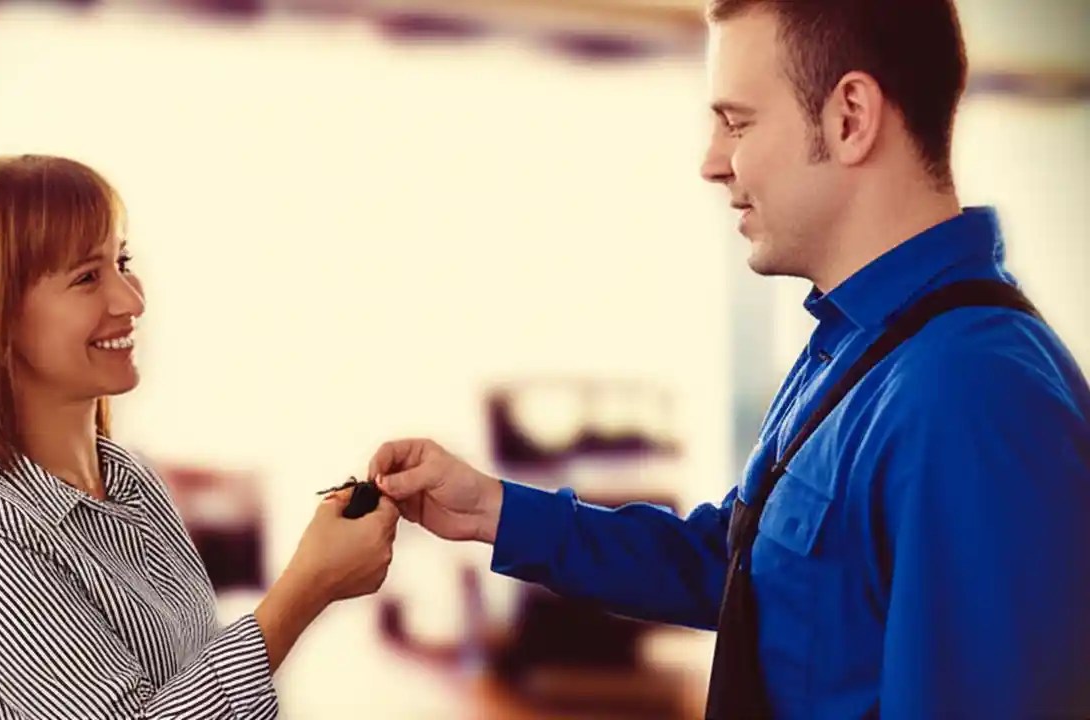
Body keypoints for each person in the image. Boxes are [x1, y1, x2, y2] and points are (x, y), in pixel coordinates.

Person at [366, 0, 1090, 717]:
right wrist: (494, 510)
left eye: (737, 123)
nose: (712, 163)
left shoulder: (971, 397)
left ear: (850, 119)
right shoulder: (859, 343)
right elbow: (746, 568)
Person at [0, 154, 400, 719]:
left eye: (122, 262)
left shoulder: (131, 479)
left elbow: (195, 684)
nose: (132, 300)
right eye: (87, 277)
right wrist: (307, 588)